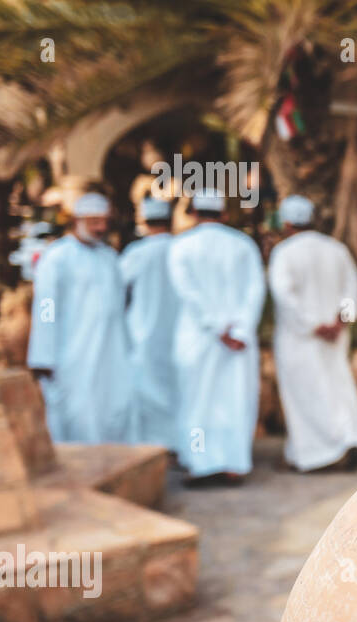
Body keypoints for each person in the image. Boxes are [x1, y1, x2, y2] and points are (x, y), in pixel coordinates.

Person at [167, 189, 265, 484]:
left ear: (193, 213)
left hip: (199, 339)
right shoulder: (244, 245)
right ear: (224, 214)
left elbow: (188, 293)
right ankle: (234, 464)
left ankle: (200, 464)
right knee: (236, 401)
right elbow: (255, 289)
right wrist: (240, 329)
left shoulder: (181, 246)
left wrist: (217, 327)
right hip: (239, 341)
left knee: (197, 404)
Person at [267, 194, 357, 471]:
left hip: (300, 338)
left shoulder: (284, 253)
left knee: (306, 394)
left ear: (286, 223)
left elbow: (284, 295)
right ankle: (349, 439)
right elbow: (353, 288)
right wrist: (340, 321)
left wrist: (313, 325)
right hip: (334, 337)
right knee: (338, 386)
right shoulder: (336, 249)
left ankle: (318, 454)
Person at [26, 191, 132, 442]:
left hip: (111, 353)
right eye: (94, 222)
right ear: (77, 221)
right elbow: (46, 308)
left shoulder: (109, 257)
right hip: (71, 355)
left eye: (104, 222)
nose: (101, 228)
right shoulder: (57, 257)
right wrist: (43, 355)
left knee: (112, 410)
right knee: (76, 414)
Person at [120, 198, 180, 450]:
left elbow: (117, 288)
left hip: (142, 332)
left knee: (147, 392)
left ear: (144, 221)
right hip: (181, 333)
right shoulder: (183, 248)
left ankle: (152, 448)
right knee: (179, 392)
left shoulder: (136, 253)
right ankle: (180, 447)